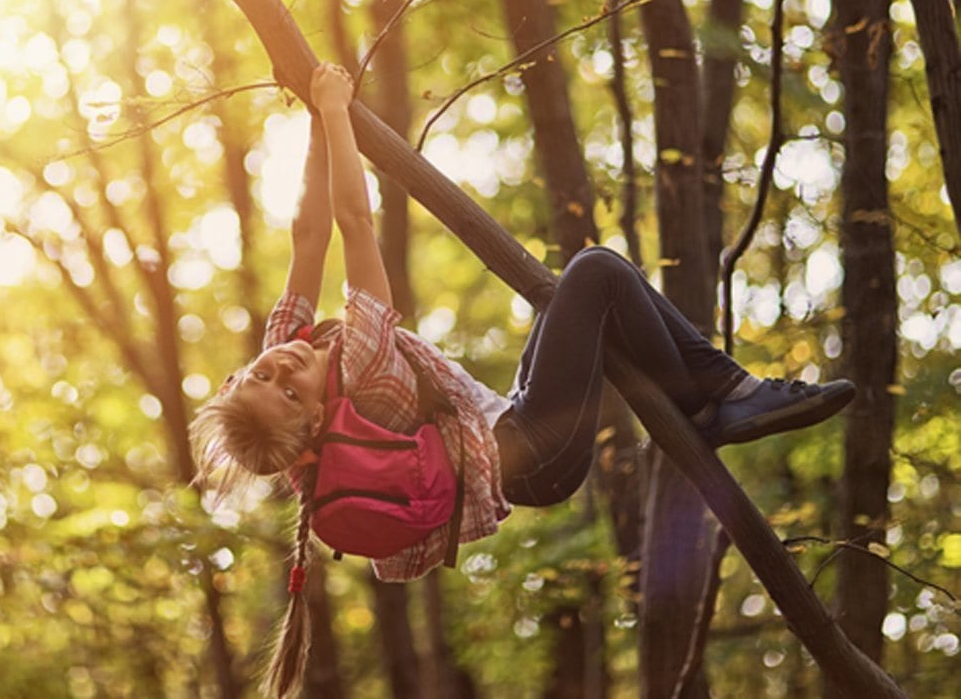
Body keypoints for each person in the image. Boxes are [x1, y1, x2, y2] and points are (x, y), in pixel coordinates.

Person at [189, 63, 855, 698]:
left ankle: (722, 399)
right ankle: (725, 398)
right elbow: (352, 225)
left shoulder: (291, 350)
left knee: (581, 292)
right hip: (537, 451)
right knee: (595, 272)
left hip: (516, 426)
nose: (282, 368)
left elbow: (308, 235)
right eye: (288, 394)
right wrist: (335, 110)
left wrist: (315, 118)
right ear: (313, 422)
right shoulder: (356, 366)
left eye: (263, 373)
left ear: (238, 375)